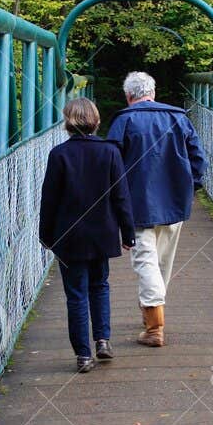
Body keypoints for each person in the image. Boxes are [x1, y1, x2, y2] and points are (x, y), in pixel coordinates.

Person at [105, 70, 207, 347]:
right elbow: (198, 159)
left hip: (136, 205)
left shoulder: (124, 121)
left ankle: (154, 328)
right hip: (174, 202)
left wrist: (112, 201)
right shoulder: (178, 118)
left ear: (129, 96)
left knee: (145, 261)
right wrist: (189, 188)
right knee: (163, 261)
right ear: (153, 93)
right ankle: (151, 312)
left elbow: (110, 165)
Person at [38, 96, 136, 373]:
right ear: (96, 121)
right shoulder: (110, 152)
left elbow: (49, 200)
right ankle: (103, 340)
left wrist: (46, 235)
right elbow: (121, 197)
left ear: (67, 122)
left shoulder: (59, 154)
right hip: (102, 233)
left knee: (76, 295)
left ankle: (83, 356)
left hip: (69, 237)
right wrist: (128, 233)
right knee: (100, 285)